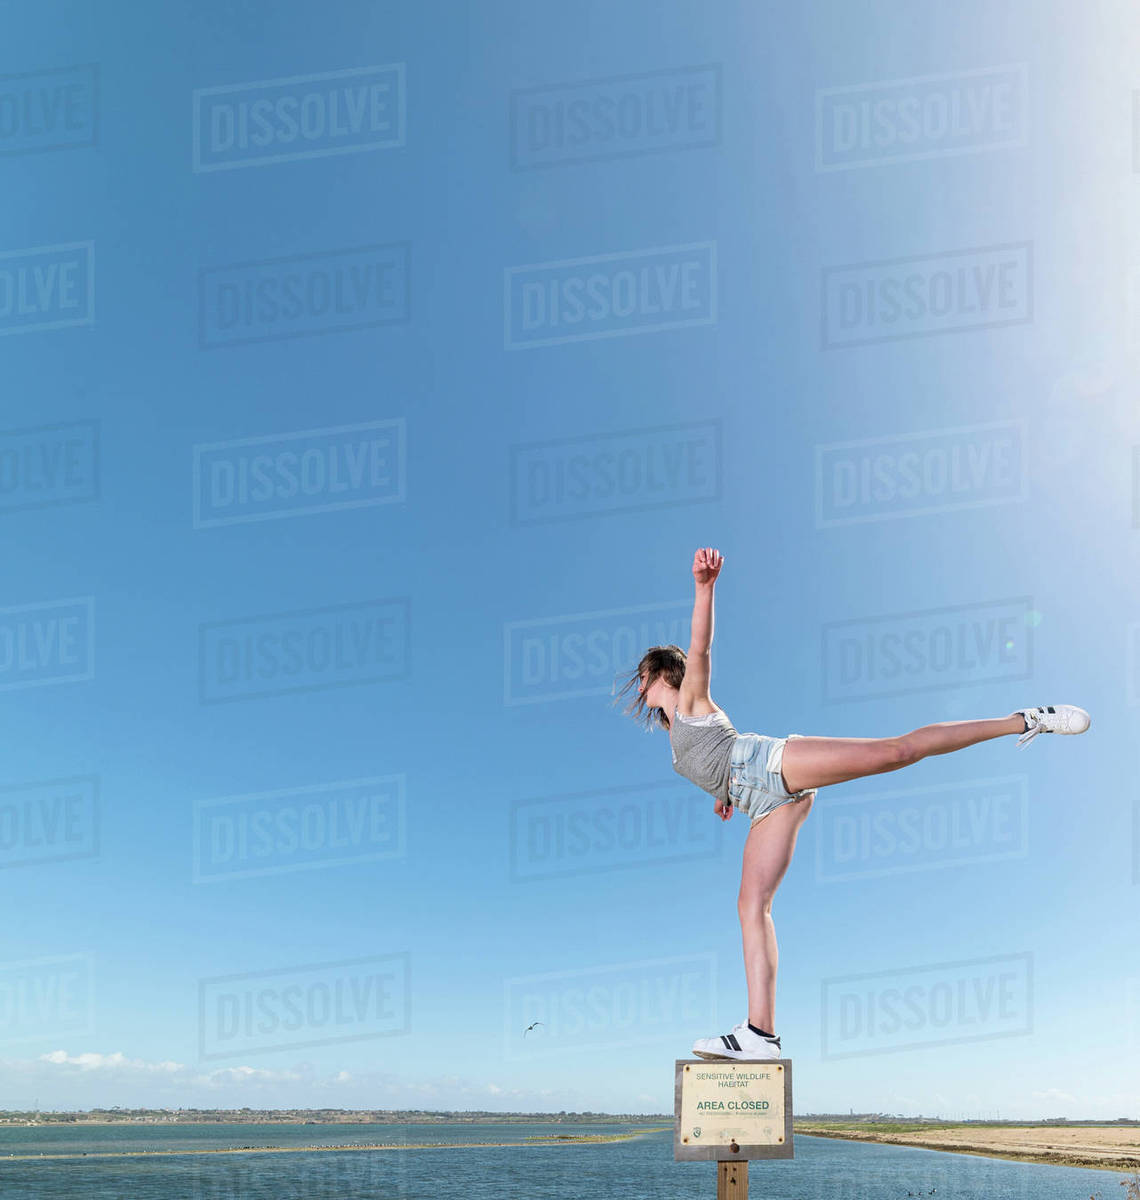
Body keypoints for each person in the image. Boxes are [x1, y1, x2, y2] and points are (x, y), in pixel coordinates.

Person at [613, 547, 1090, 1061]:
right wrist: (721, 797)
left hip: (769, 765)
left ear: (660, 675)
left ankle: (1025, 718)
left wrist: (704, 588)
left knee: (895, 752)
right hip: (761, 804)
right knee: (751, 906)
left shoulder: (689, 701)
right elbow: (711, 762)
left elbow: (701, 652)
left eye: (645, 673)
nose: (640, 683)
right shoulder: (676, 735)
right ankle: (760, 1035)